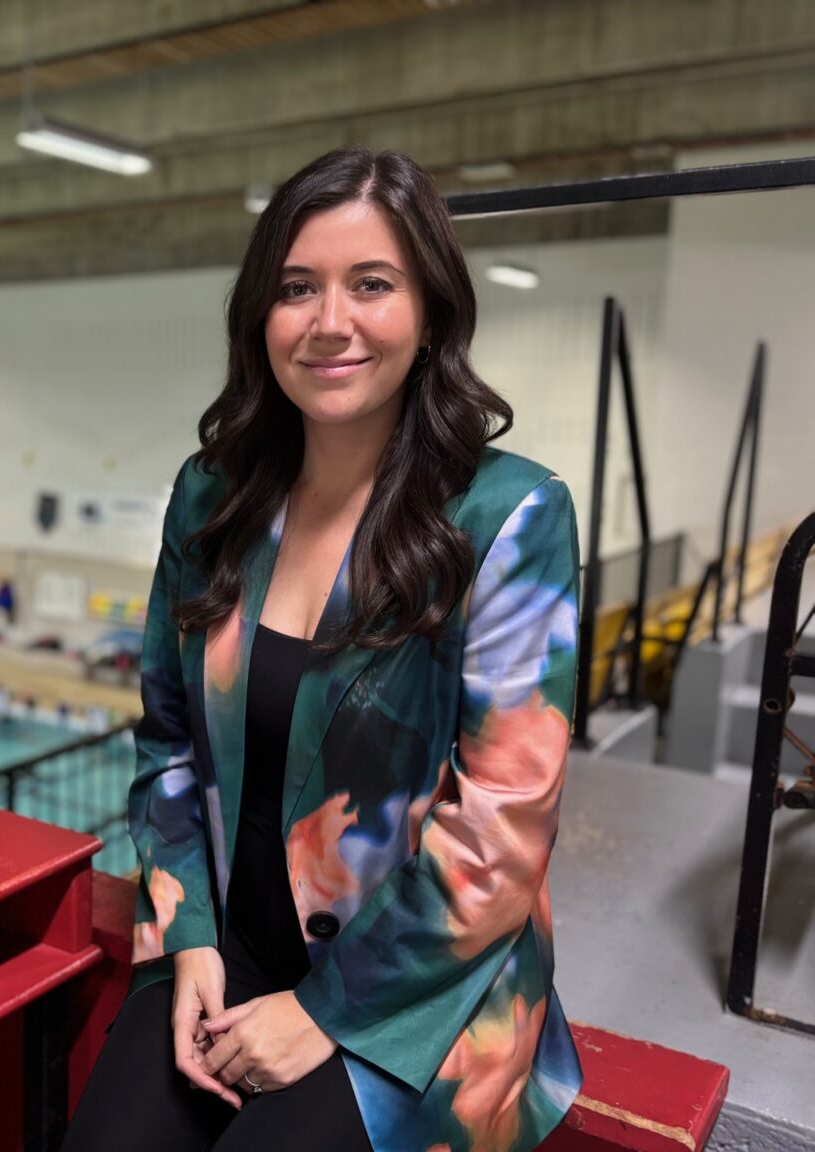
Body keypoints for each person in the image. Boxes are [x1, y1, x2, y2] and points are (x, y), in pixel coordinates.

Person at [62, 148, 584, 1152]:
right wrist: (190, 943)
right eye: (297, 288)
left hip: (417, 985)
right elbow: (168, 740)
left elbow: (498, 834)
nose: (330, 322)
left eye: (372, 285)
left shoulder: (508, 515)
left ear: (430, 311)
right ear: (261, 315)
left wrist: (323, 1014)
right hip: (231, 950)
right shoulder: (212, 496)